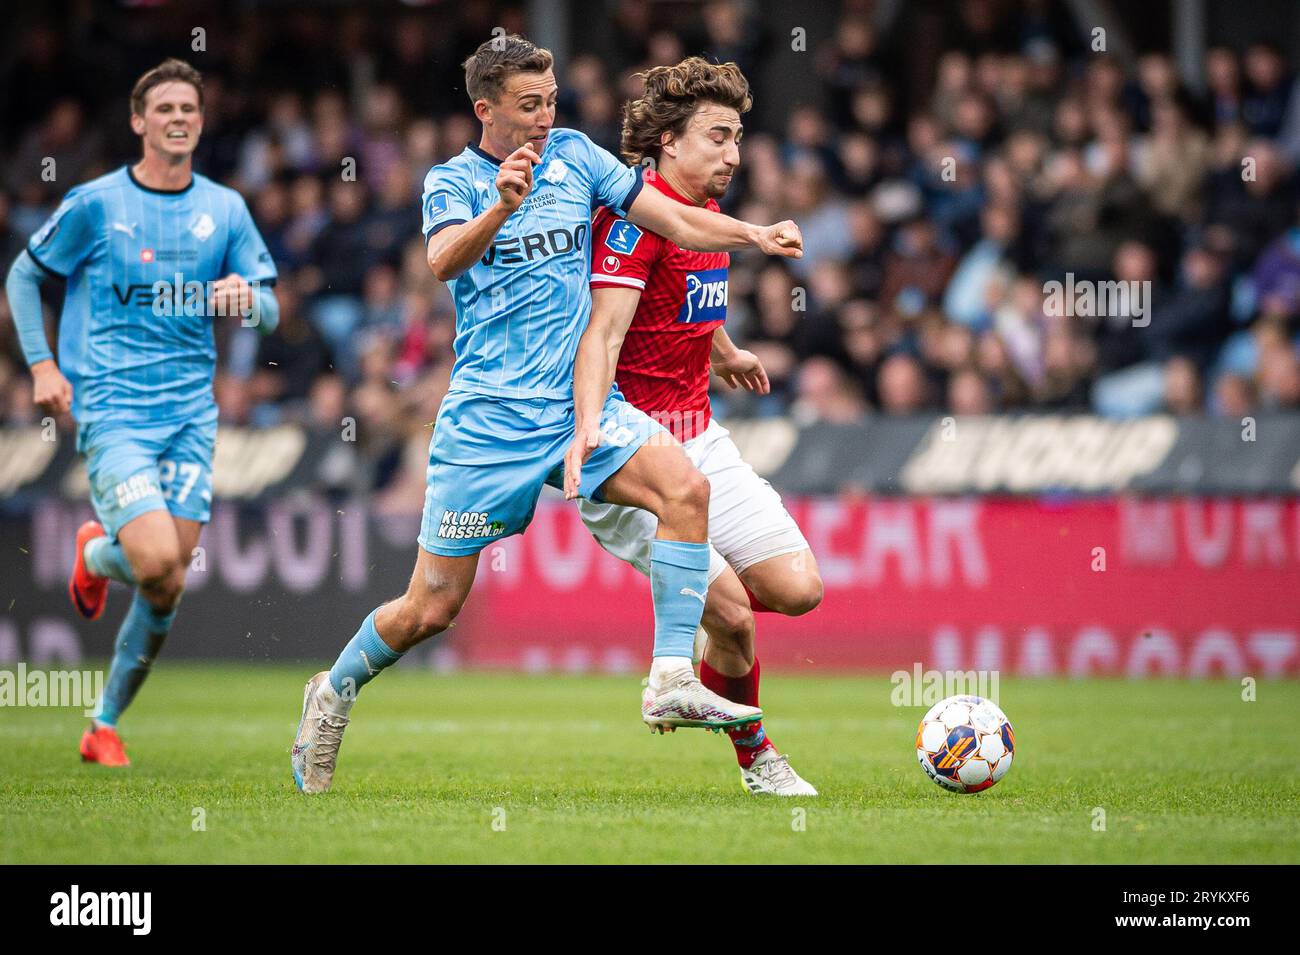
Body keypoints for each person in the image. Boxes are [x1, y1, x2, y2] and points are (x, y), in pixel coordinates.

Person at [290, 35, 803, 794]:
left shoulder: (576, 156)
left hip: (576, 406)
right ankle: (332, 692)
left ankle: (668, 675)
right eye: (529, 105)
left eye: (551, 100)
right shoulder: (452, 180)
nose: (543, 117)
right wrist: (499, 206)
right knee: (430, 607)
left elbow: (676, 220)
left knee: (684, 492)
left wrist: (752, 234)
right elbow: (442, 263)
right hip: (487, 423)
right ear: (486, 109)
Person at [3, 59, 279, 766]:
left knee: (167, 579)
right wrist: (40, 365)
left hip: (191, 413)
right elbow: (25, 273)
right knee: (156, 555)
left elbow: (273, 307)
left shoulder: (225, 209)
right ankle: (98, 551)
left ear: (201, 119)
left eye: (189, 106)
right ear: (138, 121)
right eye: (164, 109)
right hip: (115, 409)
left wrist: (245, 299)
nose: (178, 117)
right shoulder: (97, 204)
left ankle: (102, 724)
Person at [567, 58, 824, 796]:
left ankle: (698, 616)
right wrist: (587, 426)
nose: (733, 154)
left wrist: (726, 350)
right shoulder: (633, 220)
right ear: (668, 144)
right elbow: (606, 334)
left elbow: (686, 302)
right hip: (632, 454)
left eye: (738, 137)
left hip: (702, 435)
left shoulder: (706, 222)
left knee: (798, 587)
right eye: (718, 137)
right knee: (736, 614)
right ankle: (758, 758)